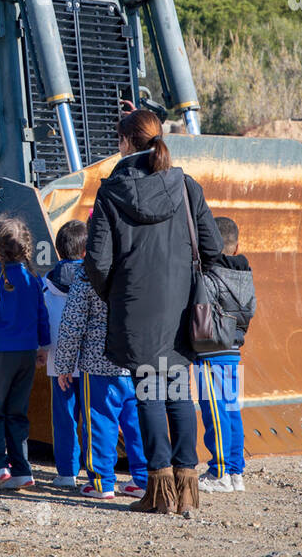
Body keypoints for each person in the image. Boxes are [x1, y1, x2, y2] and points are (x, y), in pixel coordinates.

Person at [84, 108, 223, 518]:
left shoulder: (111, 191)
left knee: (149, 393)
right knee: (180, 391)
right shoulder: (186, 186)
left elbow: (96, 261)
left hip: (134, 307)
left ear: (125, 143)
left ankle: (158, 491)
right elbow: (213, 248)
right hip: (182, 306)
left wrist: (116, 294)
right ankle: (186, 491)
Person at [53, 267, 150, 500]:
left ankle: (101, 482)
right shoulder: (140, 266)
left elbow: (72, 323)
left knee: (99, 422)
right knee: (138, 422)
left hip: (99, 364)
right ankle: (144, 479)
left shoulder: (88, 274)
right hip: (140, 361)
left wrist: (64, 366)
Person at [0, 216, 50, 490]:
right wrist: (43, 346)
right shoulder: (33, 278)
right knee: (18, 412)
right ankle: (22, 468)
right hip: (28, 353)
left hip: (0, 355)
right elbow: (42, 316)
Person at [197, 216, 256, 493]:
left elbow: (201, 311)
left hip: (211, 351)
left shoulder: (209, 276)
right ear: (237, 246)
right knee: (231, 408)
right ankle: (235, 471)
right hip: (233, 349)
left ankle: (218, 471)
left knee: (214, 411)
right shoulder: (246, 274)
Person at [42, 220, 87, 489]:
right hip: (92, 359)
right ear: (86, 251)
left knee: (64, 417)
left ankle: (67, 472)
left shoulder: (46, 283)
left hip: (57, 359)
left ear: (58, 250)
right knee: (95, 417)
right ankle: (97, 472)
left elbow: (41, 320)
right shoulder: (94, 280)